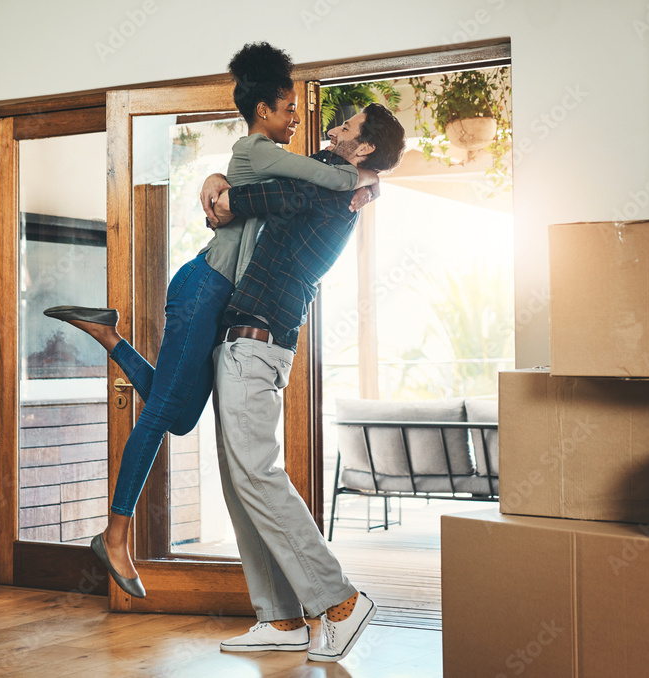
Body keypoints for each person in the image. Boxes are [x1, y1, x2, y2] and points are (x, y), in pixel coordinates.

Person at [43, 42, 379, 598]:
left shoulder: (254, 159)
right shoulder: (257, 148)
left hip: (213, 298)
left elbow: (272, 195)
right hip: (202, 290)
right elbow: (322, 182)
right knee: (155, 421)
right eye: (290, 108)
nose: (298, 119)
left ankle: (110, 335)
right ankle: (116, 533)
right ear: (265, 110)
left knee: (177, 417)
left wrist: (219, 184)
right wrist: (366, 182)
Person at [203, 102, 406, 662]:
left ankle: (339, 602)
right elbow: (284, 177)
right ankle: (282, 618)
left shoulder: (333, 190)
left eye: (348, 128)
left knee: (259, 478)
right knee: (242, 484)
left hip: (258, 341)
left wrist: (230, 199)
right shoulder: (335, 181)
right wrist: (219, 183)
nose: (334, 130)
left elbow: (283, 194)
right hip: (248, 342)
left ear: (363, 148)